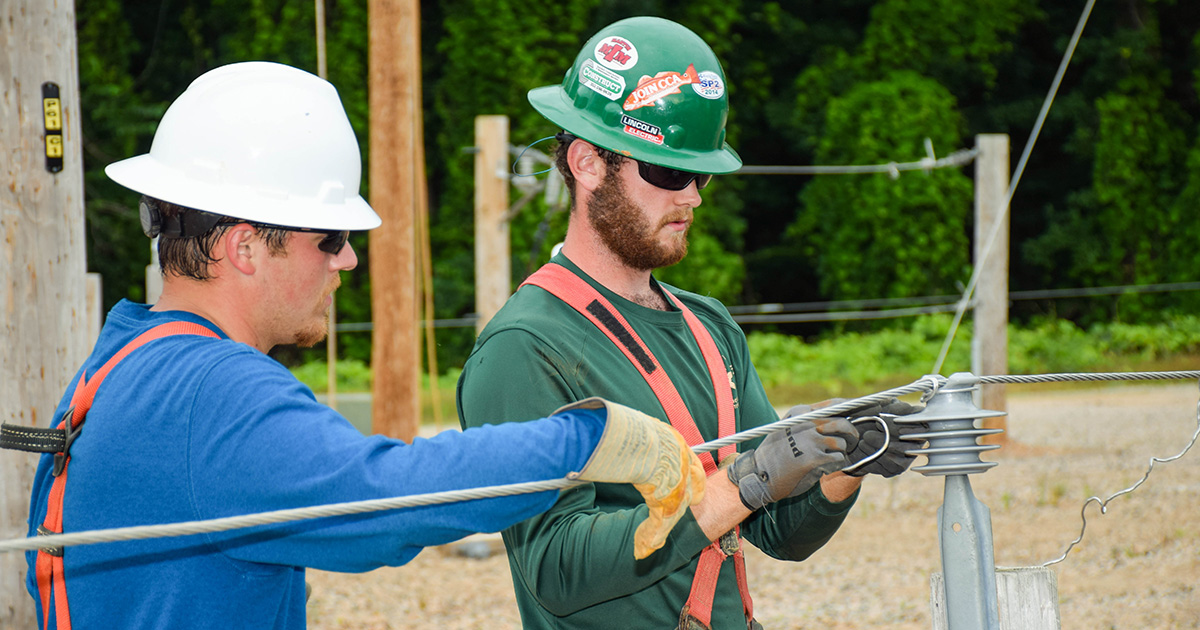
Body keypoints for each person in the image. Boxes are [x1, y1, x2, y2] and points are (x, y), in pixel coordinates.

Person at [4, 61, 707, 630]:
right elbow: (390, 497)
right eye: (330, 239)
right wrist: (587, 438)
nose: (346, 262)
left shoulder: (123, 361)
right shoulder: (214, 393)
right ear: (245, 246)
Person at [457, 16, 923, 630]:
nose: (693, 197)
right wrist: (741, 484)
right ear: (587, 162)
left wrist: (838, 467)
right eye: (669, 173)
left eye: (699, 174)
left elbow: (781, 533)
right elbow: (555, 569)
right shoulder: (525, 348)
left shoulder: (710, 328)